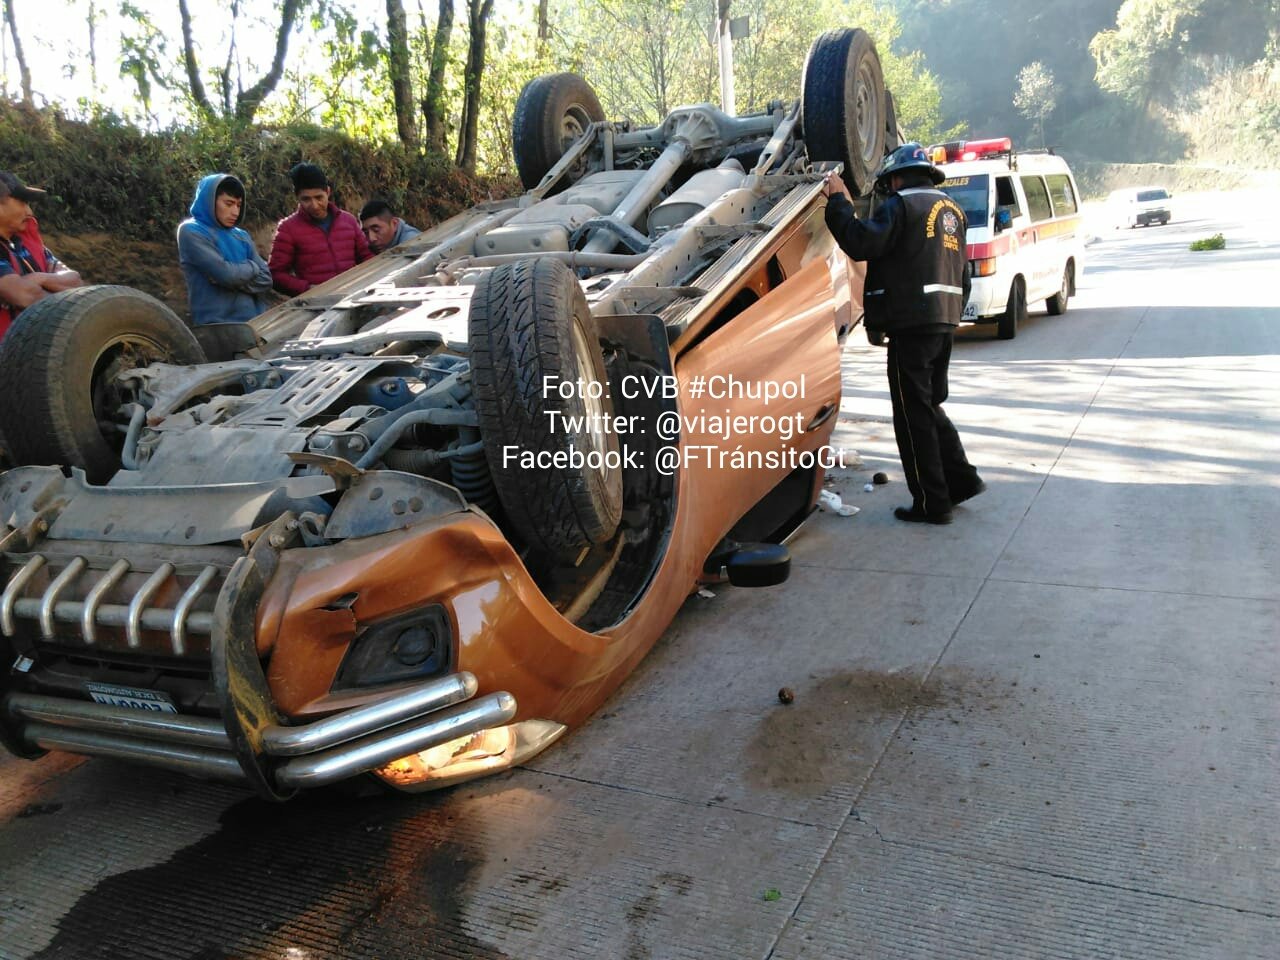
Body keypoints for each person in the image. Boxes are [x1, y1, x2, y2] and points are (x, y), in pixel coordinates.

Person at [823, 143, 984, 525]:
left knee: (912, 415)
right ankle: (961, 481)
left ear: (895, 178)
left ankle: (931, 503)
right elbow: (961, 269)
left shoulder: (901, 206)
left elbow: (862, 243)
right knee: (929, 406)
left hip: (912, 323)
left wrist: (838, 204)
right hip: (943, 319)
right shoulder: (951, 210)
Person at [176, 173, 272, 326]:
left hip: (255, 323)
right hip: (217, 326)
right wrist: (253, 268)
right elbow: (226, 275)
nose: (235, 212)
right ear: (210, 201)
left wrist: (229, 280)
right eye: (228, 204)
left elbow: (266, 279)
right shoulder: (191, 231)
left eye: (238, 205)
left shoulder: (242, 235)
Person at [0, 171, 83, 342]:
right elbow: (22, 295)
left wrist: (37, 278)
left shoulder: (27, 243)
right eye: (23, 202)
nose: (29, 211)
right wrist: (57, 292)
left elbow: (75, 280)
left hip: (36, 352)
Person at [268, 162, 370, 296]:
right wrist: (308, 289)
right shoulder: (288, 229)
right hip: (318, 305)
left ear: (328, 192)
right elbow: (276, 274)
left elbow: (367, 256)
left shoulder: (348, 221)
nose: (314, 205)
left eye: (319, 197)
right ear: (297, 197)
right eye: (306, 199)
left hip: (355, 295)